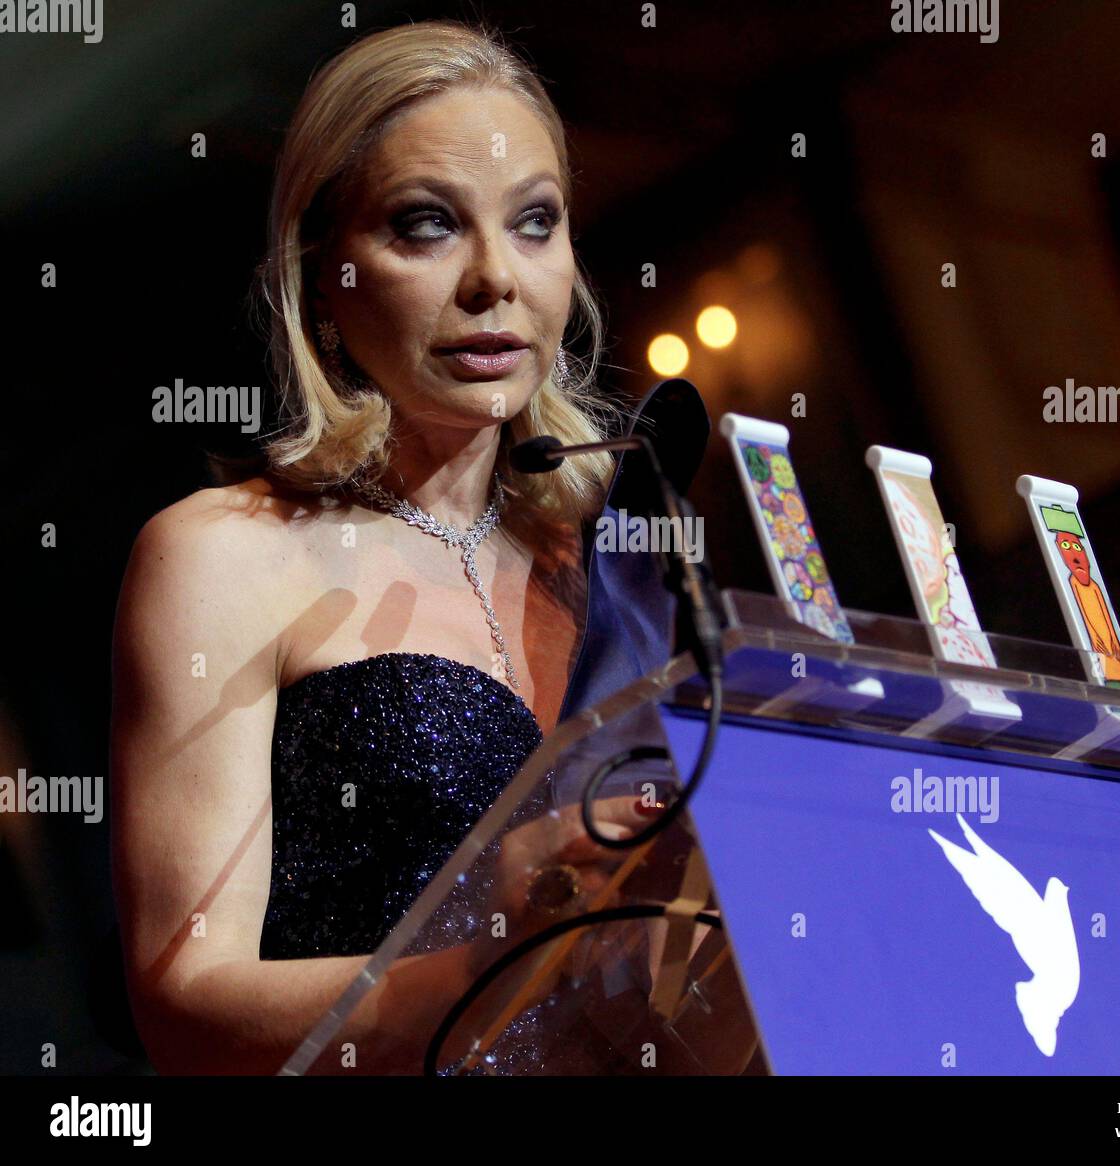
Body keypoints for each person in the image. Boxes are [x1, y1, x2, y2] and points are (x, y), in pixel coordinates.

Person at [109, 19, 708, 1075]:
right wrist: (497, 950)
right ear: (323, 272)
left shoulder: (620, 566)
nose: (494, 278)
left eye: (534, 222)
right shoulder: (222, 555)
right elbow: (185, 1006)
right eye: (427, 225)